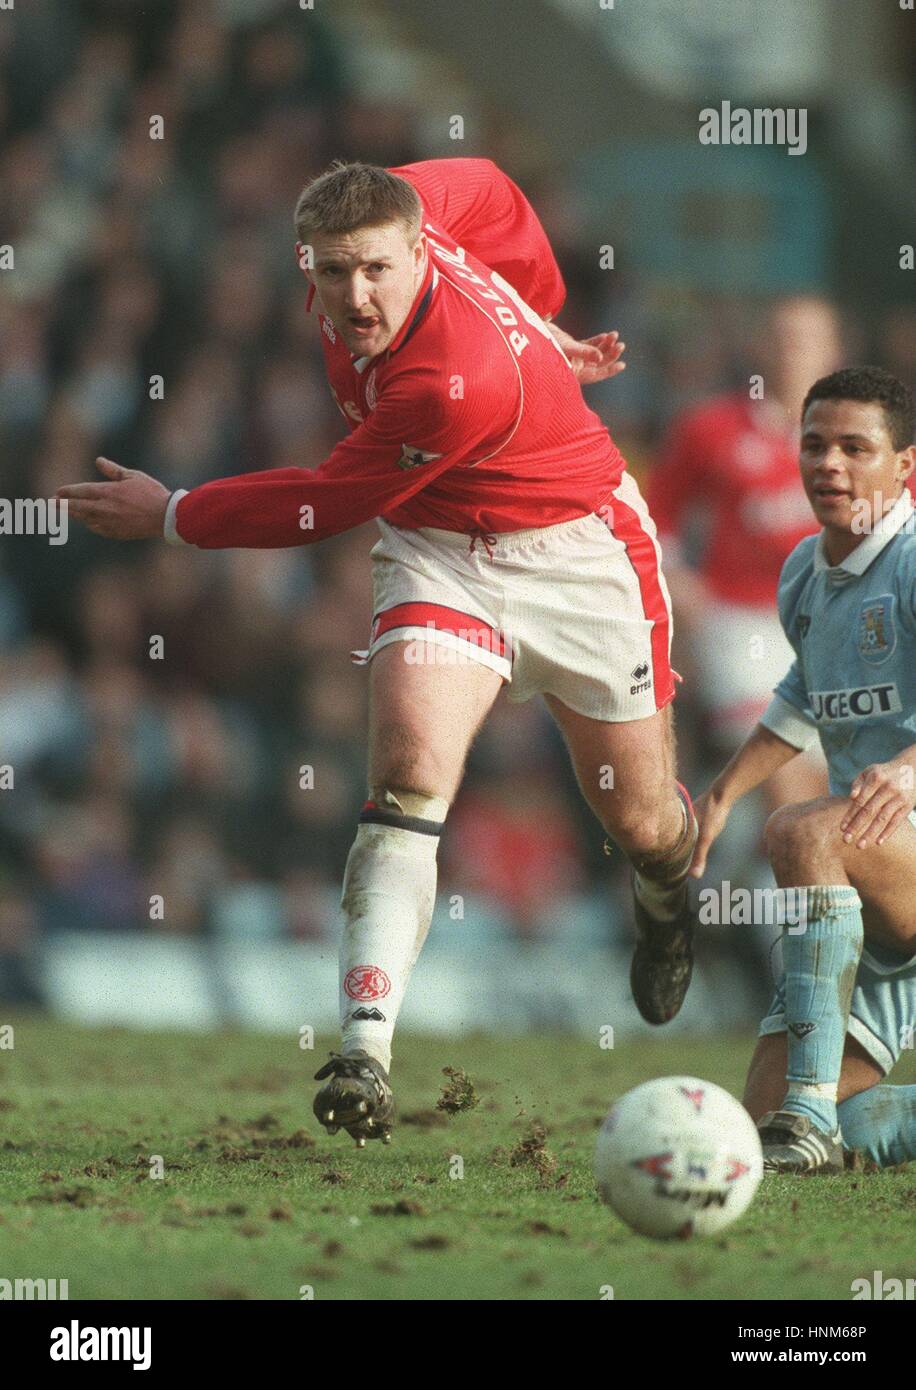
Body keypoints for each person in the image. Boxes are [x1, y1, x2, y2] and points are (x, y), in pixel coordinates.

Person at [57, 157, 698, 1146]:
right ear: (304, 262)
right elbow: (486, 182)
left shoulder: (451, 379)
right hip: (438, 550)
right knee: (404, 776)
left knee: (643, 818)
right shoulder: (404, 205)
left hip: (578, 554)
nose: (356, 296)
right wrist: (539, 311)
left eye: (374, 271)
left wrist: (175, 511)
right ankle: (363, 1046)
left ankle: (665, 889)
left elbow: (321, 501)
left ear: (414, 253)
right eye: (332, 273)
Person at [690, 367, 916, 1173]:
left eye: (857, 448)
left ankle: (812, 1110)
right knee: (758, 1133)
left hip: (894, 850)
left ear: (904, 468)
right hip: (877, 870)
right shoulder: (802, 576)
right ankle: (817, 1116)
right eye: (816, 444)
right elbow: (803, 697)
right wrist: (722, 795)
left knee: (803, 831)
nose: (831, 464)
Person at [648, 297, 840, 817]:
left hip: (836, 627)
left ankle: (742, 870)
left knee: (837, 780)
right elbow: (653, 515)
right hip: (739, 624)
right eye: (780, 336)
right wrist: (676, 578)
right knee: (780, 765)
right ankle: (819, 892)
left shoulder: (868, 438)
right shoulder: (710, 426)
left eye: (806, 338)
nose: (791, 349)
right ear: (758, 345)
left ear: (833, 350)